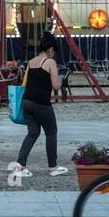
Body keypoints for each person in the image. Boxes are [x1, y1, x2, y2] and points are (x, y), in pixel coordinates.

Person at [14, 32, 68, 177]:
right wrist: (62, 79)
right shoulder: (50, 62)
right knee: (51, 132)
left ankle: (20, 165)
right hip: (42, 103)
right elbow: (56, 86)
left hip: (27, 101)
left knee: (32, 133)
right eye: (53, 50)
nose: (53, 53)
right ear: (50, 49)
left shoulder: (31, 62)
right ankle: (53, 166)